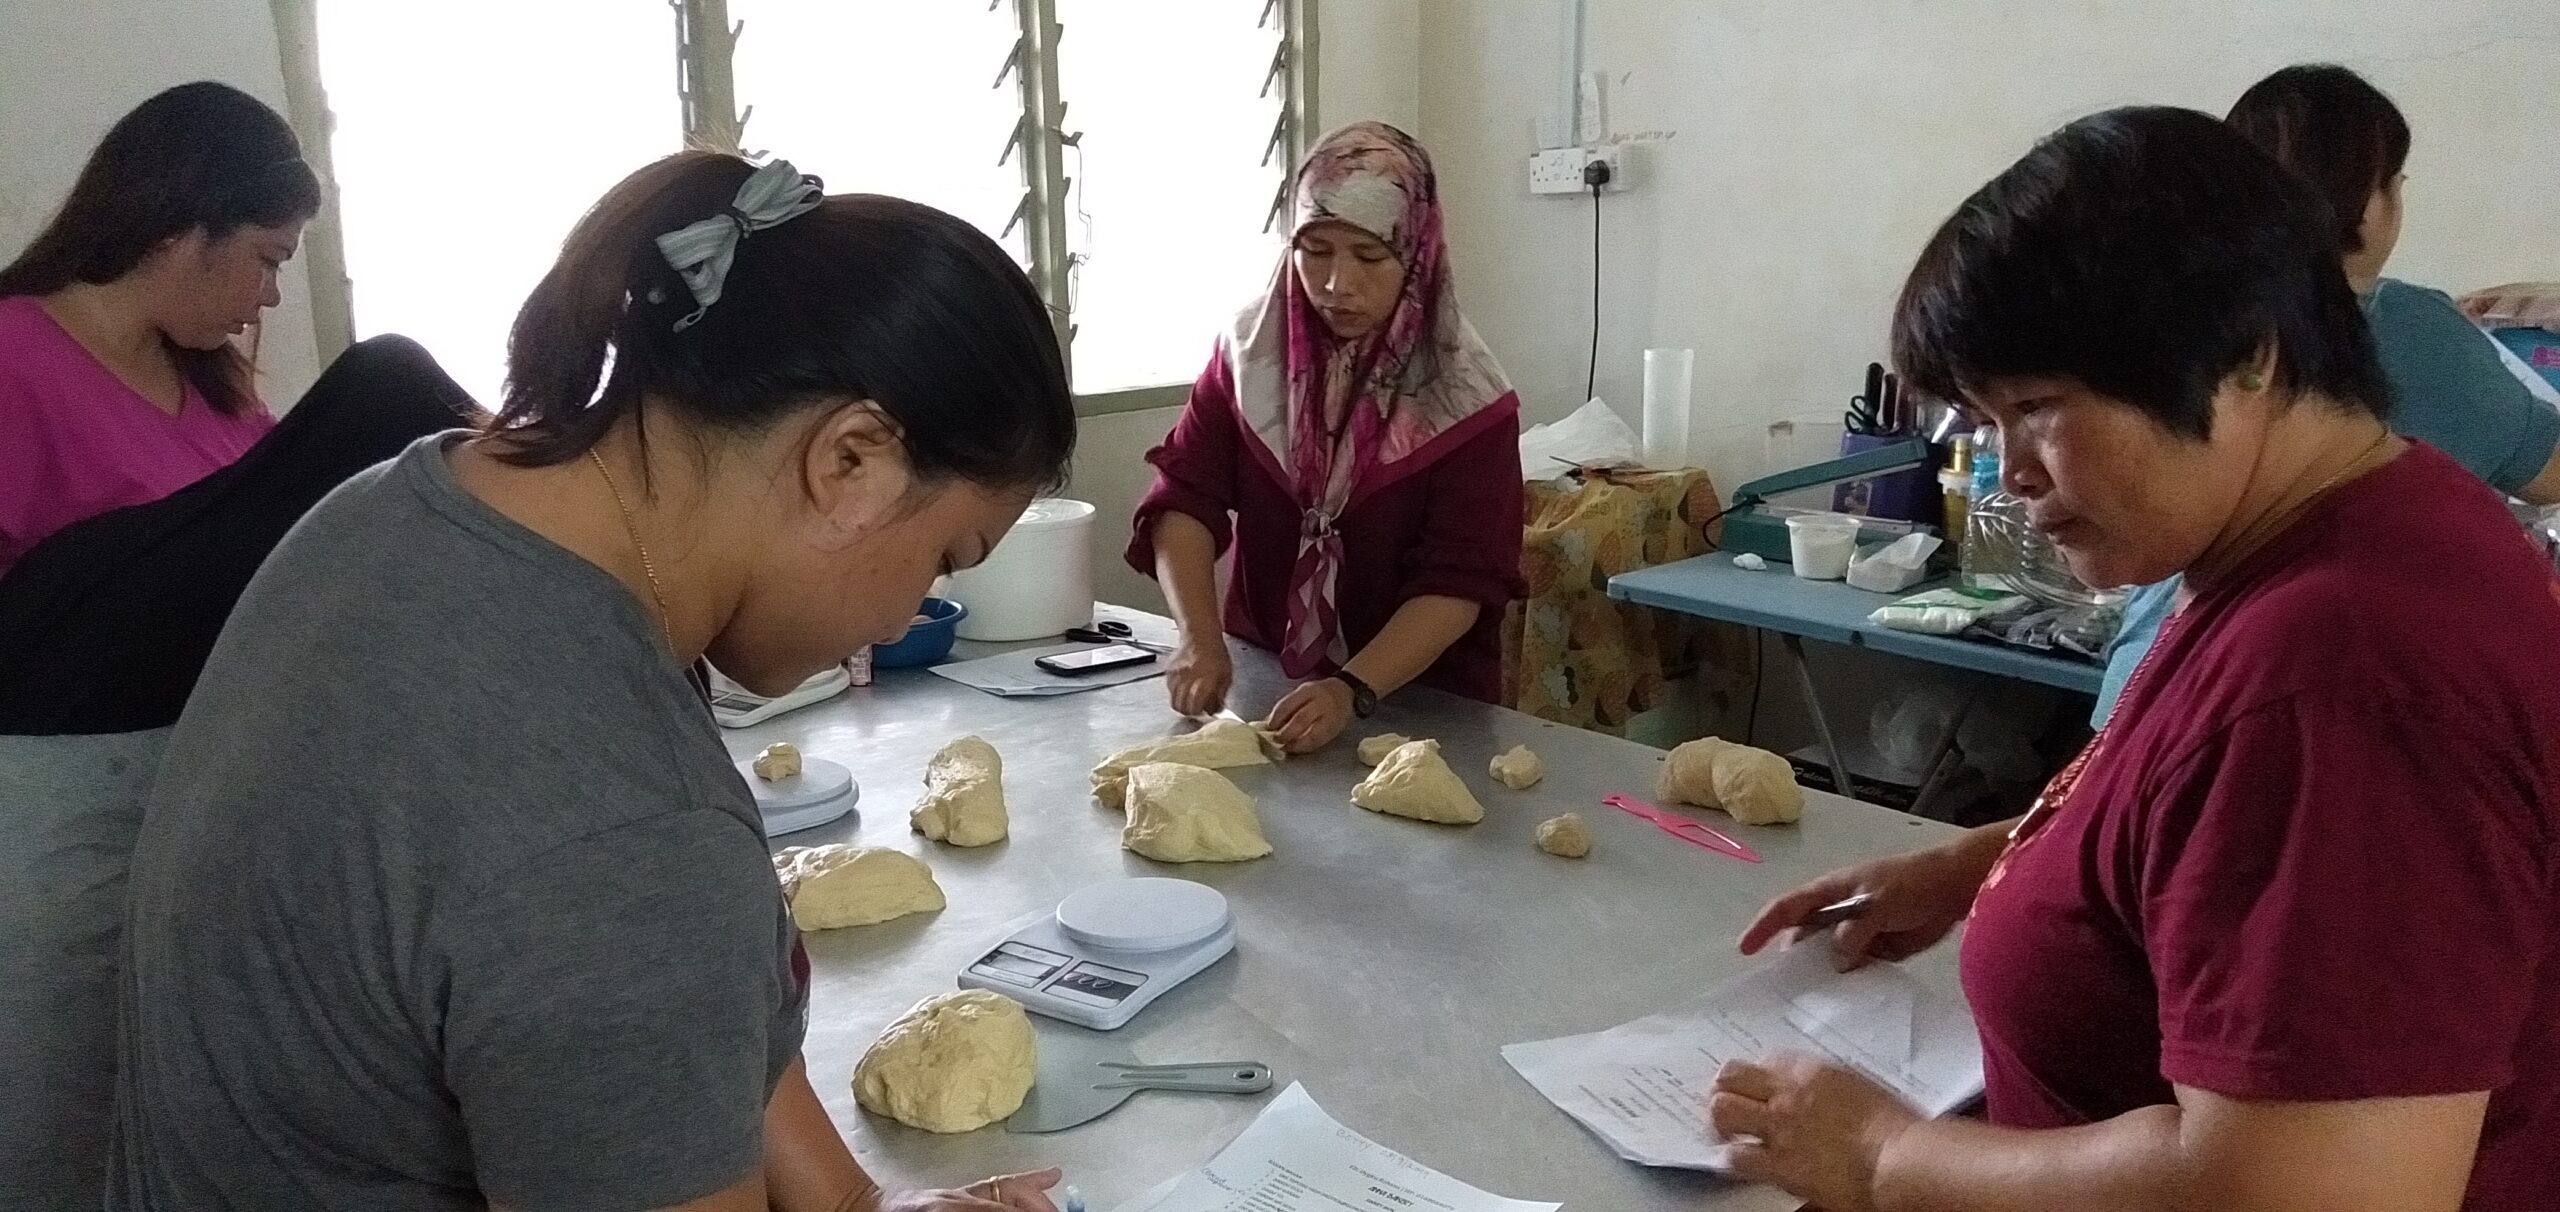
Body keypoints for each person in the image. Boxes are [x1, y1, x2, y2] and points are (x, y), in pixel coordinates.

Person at [109, 152, 1076, 1211]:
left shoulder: (411, 503)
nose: (904, 616)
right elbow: (630, 922)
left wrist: (854, 1207)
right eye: (945, 557)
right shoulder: (624, 831)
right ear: (851, 459)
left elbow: (671, 1022)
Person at [1711, 108, 2558, 1212]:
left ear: (2247, 353)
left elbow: (2317, 1194)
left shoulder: (2342, 674)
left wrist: (1887, 1161)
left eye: (2039, 410)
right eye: (1983, 420)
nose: (2007, 472)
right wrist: (1998, 868)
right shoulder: (2343, 526)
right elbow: (2229, 829)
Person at [2090, 63, 2560, 725]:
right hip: (2280, 702)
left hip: (2147, 688)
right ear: (2371, 203)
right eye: (2394, 184)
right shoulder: (2414, 333)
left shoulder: (2177, 317)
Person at [1127, 122, 1524, 754]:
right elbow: (1183, 499)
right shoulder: (1249, 358)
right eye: (1315, 251)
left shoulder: (1465, 398)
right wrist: (1199, 638)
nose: (1337, 284)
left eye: (1369, 257)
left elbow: (1459, 581)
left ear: (1416, 256)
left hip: (1422, 703)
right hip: (1266, 679)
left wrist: (1350, 689)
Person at [0, 81, 320, 578]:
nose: (270, 294)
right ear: (183, 229)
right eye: (269, 260)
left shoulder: (213, 381)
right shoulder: (14, 359)